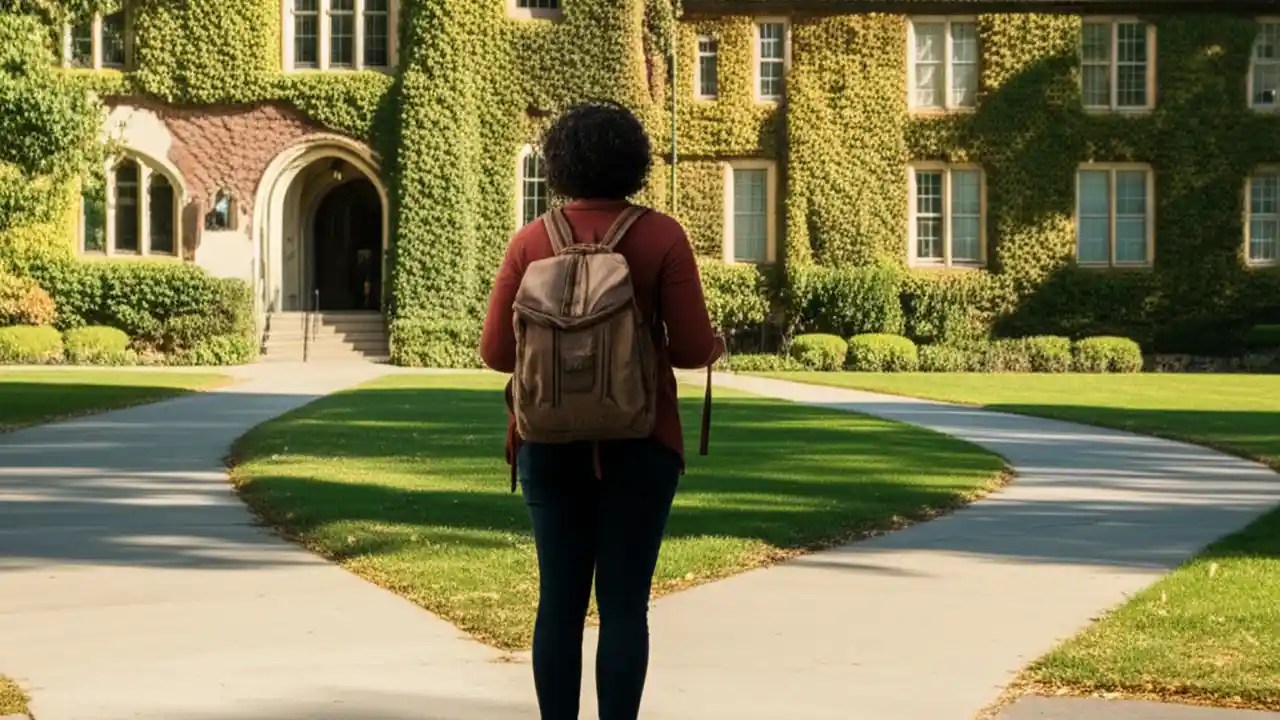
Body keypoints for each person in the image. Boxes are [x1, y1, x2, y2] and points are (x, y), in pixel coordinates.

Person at [479, 102, 724, 720]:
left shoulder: (531, 240)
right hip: (641, 444)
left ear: (560, 163)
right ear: (634, 162)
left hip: (547, 443)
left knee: (558, 607)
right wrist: (715, 344)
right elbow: (692, 349)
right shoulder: (662, 236)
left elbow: (496, 354)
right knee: (623, 609)